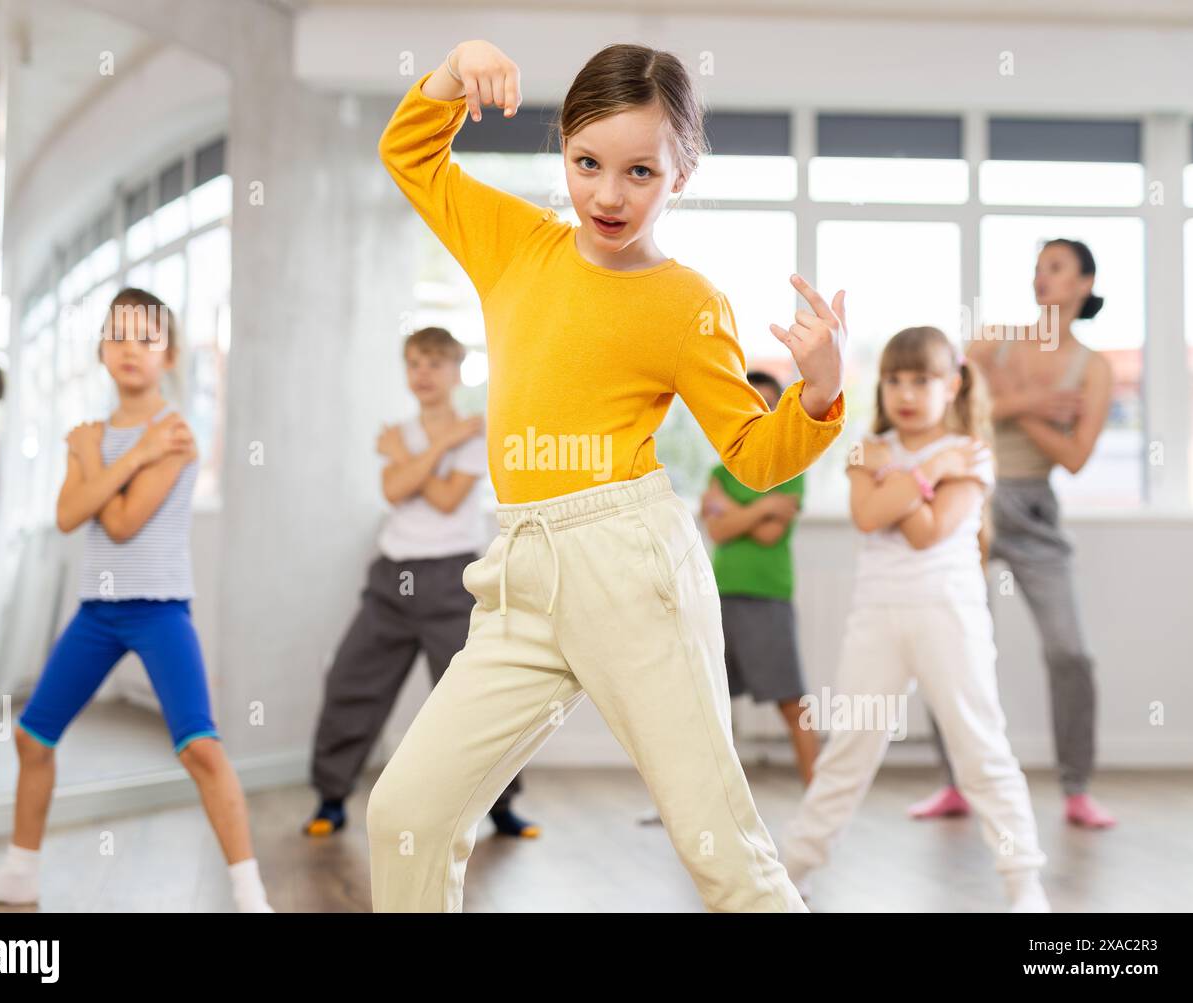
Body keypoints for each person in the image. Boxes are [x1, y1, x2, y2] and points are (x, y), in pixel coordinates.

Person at [365, 39, 847, 912]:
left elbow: (751, 452)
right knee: (406, 812)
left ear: (682, 172)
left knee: (719, 849)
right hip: (518, 570)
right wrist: (451, 69)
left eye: (639, 172)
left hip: (632, 571)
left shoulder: (687, 303)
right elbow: (409, 153)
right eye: (587, 163)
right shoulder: (513, 243)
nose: (608, 194)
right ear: (564, 150)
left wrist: (820, 392)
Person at [0, 289, 273, 913]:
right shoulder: (90, 436)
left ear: (168, 354)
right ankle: (20, 873)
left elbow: (121, 523)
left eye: (146, 337)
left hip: (160, 609)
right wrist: (104, 458)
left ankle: (248, 891)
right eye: (117, 336)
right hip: (97, 611)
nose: (130, 349)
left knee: (200, 746)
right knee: (33, 738)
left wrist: (119, 455)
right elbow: (69, 515)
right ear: (100, 351)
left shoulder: (172, 432)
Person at [780, 326, 1049, 912]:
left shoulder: (972, 453)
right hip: (876, 618)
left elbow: (928, 534)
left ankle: (1023, 883)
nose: (905, 393)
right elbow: (868, 515)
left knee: (980, 749)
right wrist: (925, 476)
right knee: (848, 751)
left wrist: (900, 480)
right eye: (894, 380)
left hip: (947, 615)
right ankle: (791, 871)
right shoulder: (866, 448)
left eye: (921, 380)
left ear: (950, 385)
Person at [910, 238, 1116, 830]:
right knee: (955, 645)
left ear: (1084, 283)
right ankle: (956, 783)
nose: (1040, 278)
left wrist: (1005, 402)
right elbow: (947, 415)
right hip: (969, 497)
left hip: (1033, 509)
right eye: (1036, 268)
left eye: (1054, 268)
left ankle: (1076, 789)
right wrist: (1034, 402)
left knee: (1071, 651)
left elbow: (1074, 457)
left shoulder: (1093, 368)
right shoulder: (992, 340)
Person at [305, 325, 537, 839]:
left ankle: (500, 808)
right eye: (413, 363)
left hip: (451, 577)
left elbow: (445, 500)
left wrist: (417, 455)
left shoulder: (474, 435)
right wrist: (439, 447)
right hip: (392, 578)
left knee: (479, 696)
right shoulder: (405, 432)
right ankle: (330, 798)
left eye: (435, 363)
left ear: (456, 372)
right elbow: (394, 490)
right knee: (350, 681)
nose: (423, 373)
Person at [701, 371, 819, 785]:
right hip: (720, 597)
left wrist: (733, 513)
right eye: (753, 406)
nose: (762, 414)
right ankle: (712, 800)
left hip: (768, 597)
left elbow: (769, 535)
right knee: (712, 705)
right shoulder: (719, 473)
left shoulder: (792, 468)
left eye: (770, 406)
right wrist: (763, 507)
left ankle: (817, 796)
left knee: (791, 703)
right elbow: (717, 530)